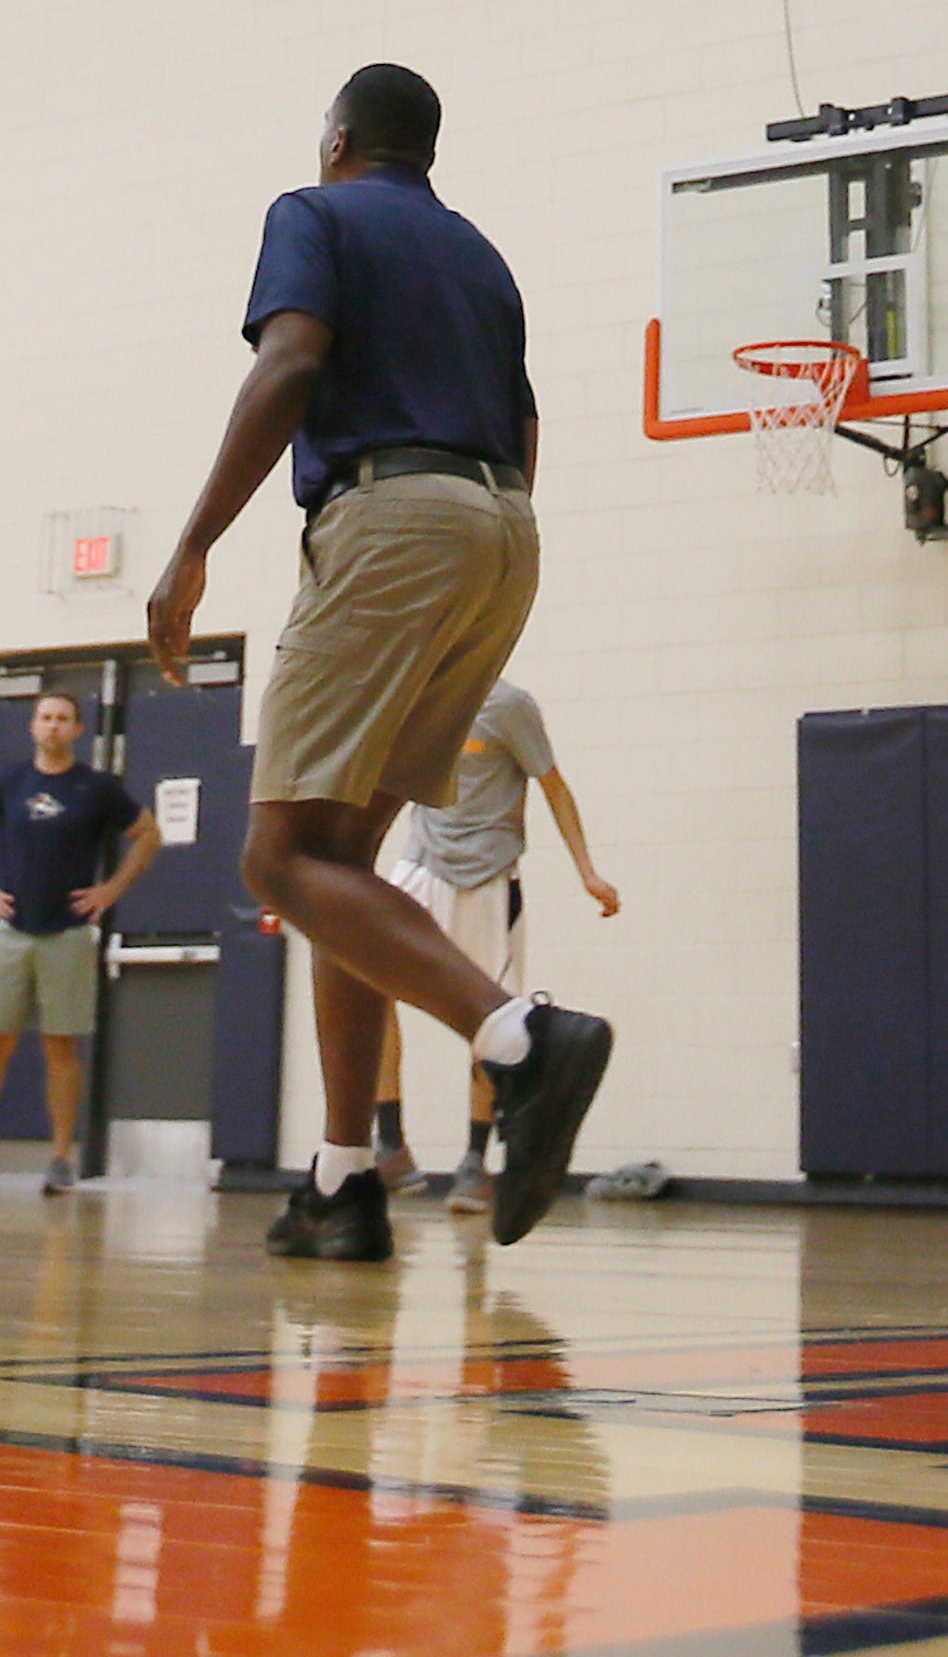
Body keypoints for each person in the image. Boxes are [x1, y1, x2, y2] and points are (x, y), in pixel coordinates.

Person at [147, 65, 612, 1262]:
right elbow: (525, 424)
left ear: (337, 140)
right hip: (503, 529)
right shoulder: (480, 256)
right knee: (341, 862)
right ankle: (345, 1180)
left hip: (393, 516)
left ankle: (517, 1038)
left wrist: (193, 546)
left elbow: (292, 362)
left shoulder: (314, 213)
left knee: (281, 857)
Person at [369, 679, 622, 1214]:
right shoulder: (415, 694)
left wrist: (587, 872)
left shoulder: (509, 705)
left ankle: (473, 1162)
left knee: (492, 1022)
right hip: (422, 864)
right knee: (364, 978)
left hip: (486, 877)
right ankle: (390, 1140)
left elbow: (554, 786)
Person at [0, 689, 157, 1196]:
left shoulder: (96, 788)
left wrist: (112, 889)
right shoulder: (9, 783)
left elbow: (148, 833)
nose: (53, 726)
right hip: (13, 931)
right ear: (33, 727)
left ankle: (60, 1157)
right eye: (45, 718)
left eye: (63, 719)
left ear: (78, 731)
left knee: (61, 1046)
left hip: (70, 934)